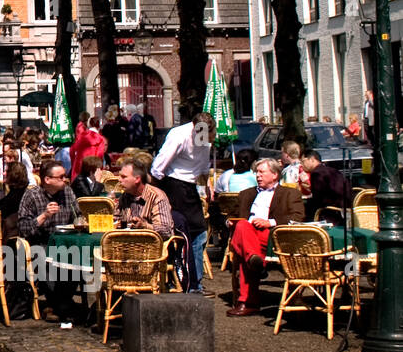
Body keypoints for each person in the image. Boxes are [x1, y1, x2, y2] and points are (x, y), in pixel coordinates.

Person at [226, 158, 305, 316]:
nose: (258, 176)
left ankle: (248, 302)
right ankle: (255, 261)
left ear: (275, 175)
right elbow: (232, 216)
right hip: (248, 234)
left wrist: (269, 222)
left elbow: (298, 217)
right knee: (241, 226)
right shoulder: (246, 194)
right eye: (257, 173)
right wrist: (229, 221)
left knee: (243, 248)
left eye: (262, 172)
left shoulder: (290, 193)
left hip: (274, 237)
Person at [150, 112, 215, 294]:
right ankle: (189, 283)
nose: (204, 137)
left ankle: (192, 281)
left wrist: (207, 185)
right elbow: (158, 167)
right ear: (193, 126)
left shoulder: (203, 136)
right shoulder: (179, 135)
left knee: (198, 233)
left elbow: (201, 164)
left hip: (190, 186)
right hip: (174, 184)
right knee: (186, 233)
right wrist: (159, 193)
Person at [17, 161, 79, 320]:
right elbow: (23, 228)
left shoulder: (68, 192)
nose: (65, 180)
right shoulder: (32, 195)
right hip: (40, 240)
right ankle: (57, 304)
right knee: (46, 258)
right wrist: (44, 215)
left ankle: (61, 302)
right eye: (61, 177)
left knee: (79, 257)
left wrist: (79, 222)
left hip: (65, 239)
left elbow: (77, 216)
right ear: (47, 179)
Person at [115, 159, 174, 238]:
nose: (119, 180)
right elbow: (116, 219)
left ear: (137, 179)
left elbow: (166, 231)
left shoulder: (157, 197)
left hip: (152, 246)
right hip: (128, 244)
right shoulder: (125, 196)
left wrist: (144, 226)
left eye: (124, 177)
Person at [300, 150, 353, 223]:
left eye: (303, 161)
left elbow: (318, 199)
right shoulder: (333, 171)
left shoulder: (317, 174)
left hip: (330, 214)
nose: (301, 165)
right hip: (346, 210)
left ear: (312, 159)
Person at [0, 162, 31, 240]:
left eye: (7, 171)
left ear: (14, 175)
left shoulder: (16, 197)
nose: (4, 173)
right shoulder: (16, 193)